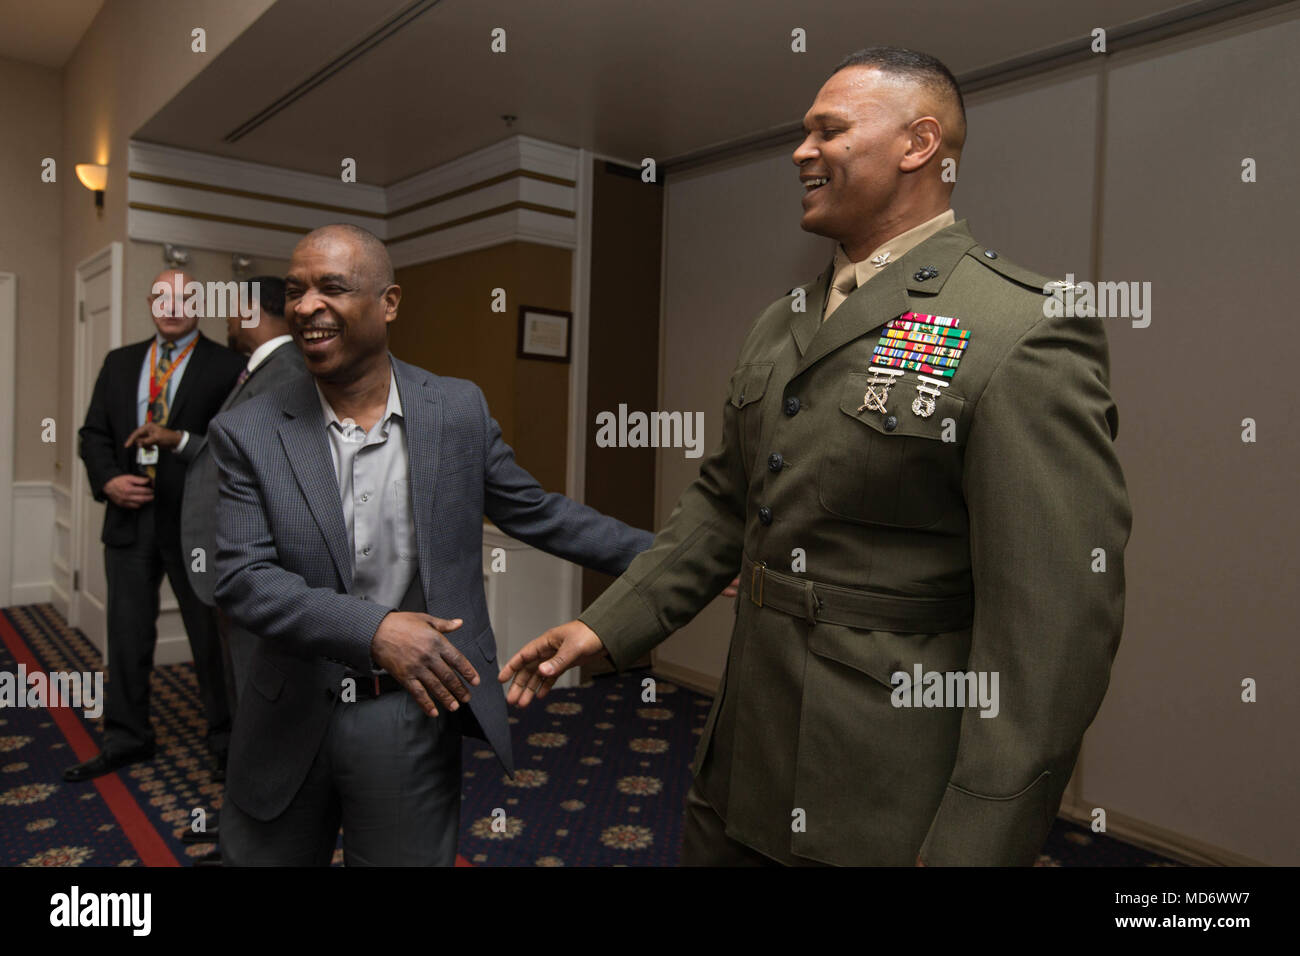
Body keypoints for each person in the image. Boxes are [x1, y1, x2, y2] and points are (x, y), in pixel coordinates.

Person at [499, 47, 1133, 866]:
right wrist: (604, 626)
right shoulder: (783, 320)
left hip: (883, 791)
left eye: (828, 131)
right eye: (802, 134)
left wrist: (980, 840)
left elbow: (1053, 634)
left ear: (919, 144)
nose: (800, 152)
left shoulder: (1022, 328)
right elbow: (724, 505)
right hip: (740, 767)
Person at [207, 223, 655, 865]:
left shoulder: (455, 409)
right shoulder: (249, 429)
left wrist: (670, 560)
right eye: (296, 291)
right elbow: (244, 579)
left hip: (410, 714)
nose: (306, 307)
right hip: (285, 712)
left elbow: (539, 513)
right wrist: (376, 629)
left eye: (331, 287)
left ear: (388, 303)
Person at [69, 269, 245, 782]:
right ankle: (126, 738)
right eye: (162, 296)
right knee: (125, 637)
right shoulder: (120, 363)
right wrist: (108, 483)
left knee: (212, 642)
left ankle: (227, 744)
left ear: (200, 303)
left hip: (196, 527)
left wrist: (178, 438)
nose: (172, 305)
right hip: (128, 521)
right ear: (150, 302)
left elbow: (230, 446)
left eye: (185, 296)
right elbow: (92, 434)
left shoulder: (228, 367)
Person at [181, 275, 308, 709]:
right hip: (240, 563)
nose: (229, 322)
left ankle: (260, 774)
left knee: (261, 689)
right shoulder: (264, 368)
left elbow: (275, 472)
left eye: (233, 310)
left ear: (250, 310)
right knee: (245, 681)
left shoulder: (287, 371)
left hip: (258, 564)